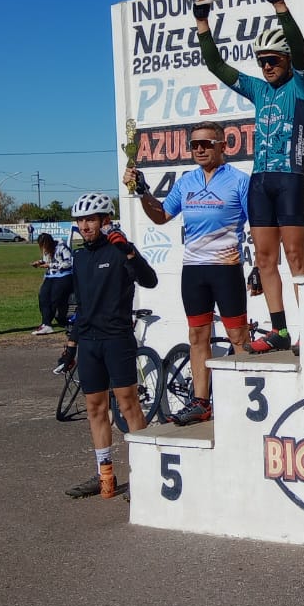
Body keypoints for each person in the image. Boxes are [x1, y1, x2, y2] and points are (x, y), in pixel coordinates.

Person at [196, 0, 304, 353]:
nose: (267, 66)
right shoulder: (258, 90)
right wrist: (201, 21)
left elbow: (299, 48)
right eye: (261, 60)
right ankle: (279, 330)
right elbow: (217, 66)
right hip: (261, 181)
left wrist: (279, 4)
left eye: (273, 59)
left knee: (296, 257)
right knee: (265, 259)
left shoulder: (301, 85)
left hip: (292, 178)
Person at [126, 121, 251, 425]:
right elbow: (161, 216)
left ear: (223, 146)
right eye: (194, 144)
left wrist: (260, 265)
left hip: (227, 268)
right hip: (194, 271)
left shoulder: (239, 180)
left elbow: (258, 225)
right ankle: (201, 402)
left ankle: (247, 398)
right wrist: (142, 191)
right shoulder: (185, 182)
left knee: (238, 336)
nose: (199, 149)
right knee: (198, 336)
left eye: (206, 143)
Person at [61, 192, 158, 499]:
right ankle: (106, 475)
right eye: (80, 220)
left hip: (117, 338)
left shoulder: (118, 251)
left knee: (128, 404)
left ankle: (144, 472)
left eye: (91, 220)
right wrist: (70, 343)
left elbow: (150, 280)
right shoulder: (79, 257)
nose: (85, 226)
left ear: (105, 221)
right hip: (89, 341)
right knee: (95, 408)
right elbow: (77, 303)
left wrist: (129, 251)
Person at [31, 232, 73, 334]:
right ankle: (45, 323)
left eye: (44, 245)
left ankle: (50, 323)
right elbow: (47, 261)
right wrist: (40, 263)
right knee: (43, 296)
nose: (43, 248)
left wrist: (50, 265)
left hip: (64, 275)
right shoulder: (46, 250)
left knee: (54, 298)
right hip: (50, 276)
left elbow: (69, 262)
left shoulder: (62, 247)